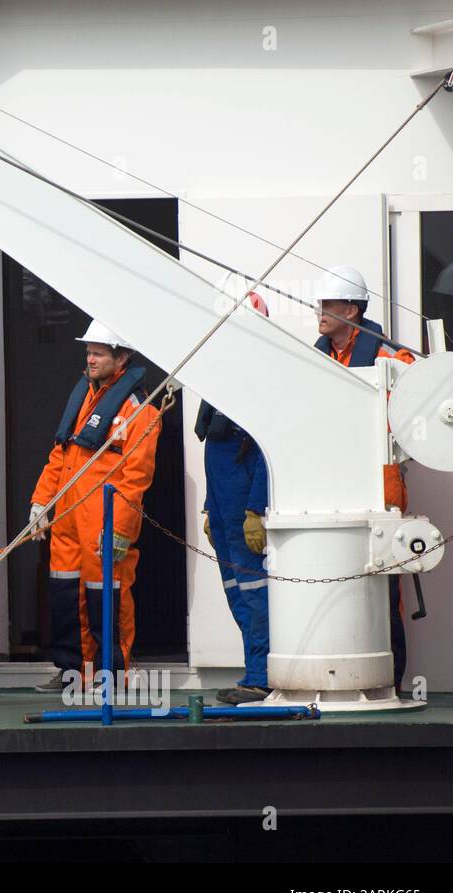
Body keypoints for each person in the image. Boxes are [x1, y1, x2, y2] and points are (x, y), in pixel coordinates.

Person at [31, 321, 160, 691]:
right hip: (69, 514)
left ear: (121, 358)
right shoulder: (83, 397)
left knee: (108, 595)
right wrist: (41, 501)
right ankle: (74, 671)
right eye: (88, 351)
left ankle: (112, 673)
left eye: (98, 352)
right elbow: (60, 456)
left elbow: (136, 477)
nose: (90, 358)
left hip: (104, 519)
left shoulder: (140, 409)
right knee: (65, 592)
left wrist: (118, 528)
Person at [313, 264, 415, 690]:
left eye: (328, 304)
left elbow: (416, 393)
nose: (319, 311)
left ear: (351, 311)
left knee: (383, 582)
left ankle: (390, 676)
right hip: (333, 481)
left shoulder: (387, 353)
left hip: (379, 479)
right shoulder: (318, 354)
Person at [201, 293, 272, 704]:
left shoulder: (262, 382)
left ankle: (263, 676)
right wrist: (211, 508)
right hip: (225, 510)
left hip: (245, 508)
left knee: (256, 592)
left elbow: (267, 453)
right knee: (236, 592)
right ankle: (253, 672)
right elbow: (216, 450)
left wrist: (255, 509)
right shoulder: (223, 379)